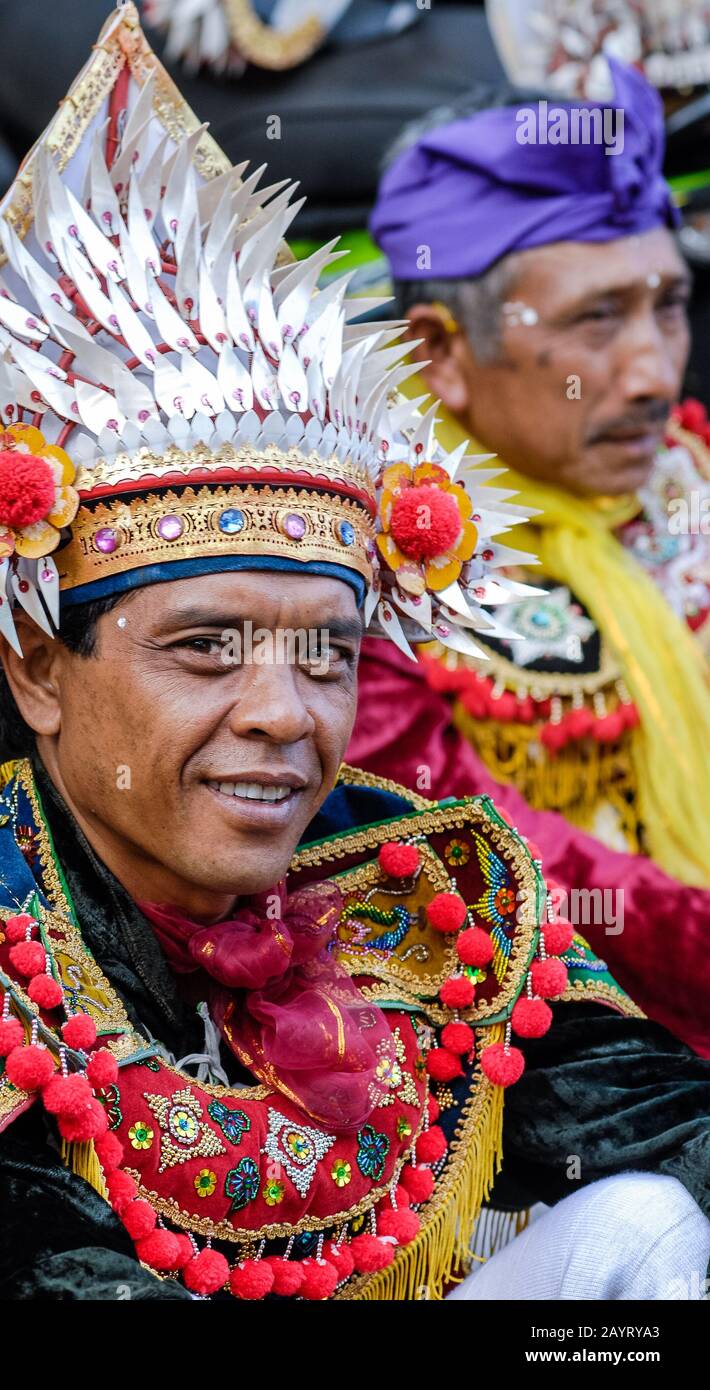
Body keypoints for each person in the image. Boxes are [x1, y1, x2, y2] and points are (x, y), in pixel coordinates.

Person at [0, 6, 708, 1303]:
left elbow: (656, 1119)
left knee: (642, 1219)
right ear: (34, 666)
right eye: (205, 649)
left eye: (325, 654)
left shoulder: (426, 892)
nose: (284, 715)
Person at [349, 59, 710, 1056]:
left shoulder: (687, 468)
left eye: (669, 305)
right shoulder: (355, 566)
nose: (651, 370)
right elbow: (473, 846)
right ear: (441, 353)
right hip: (546, 1066)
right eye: (596, 318)